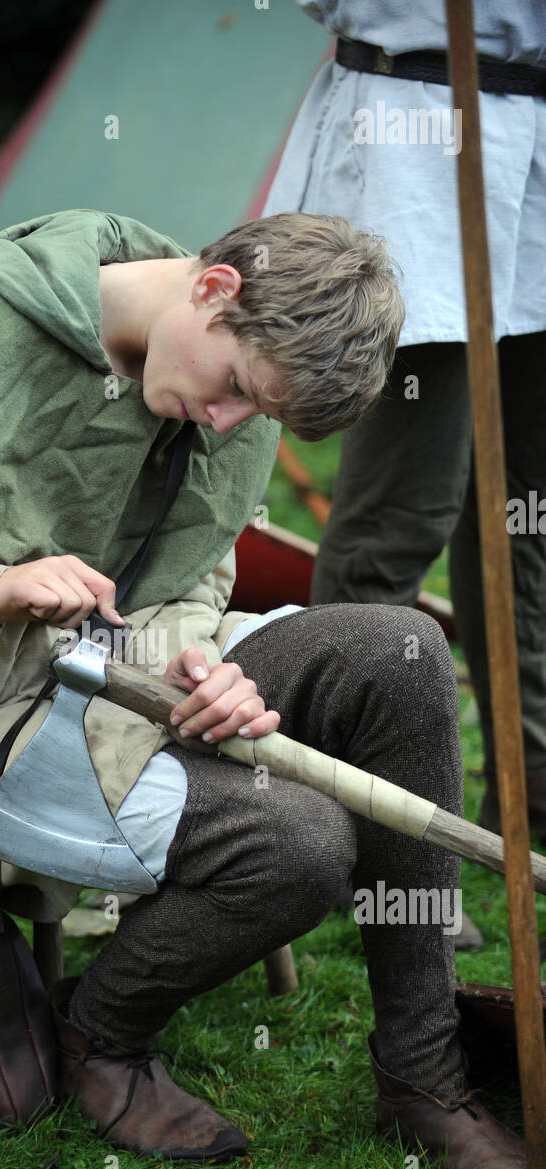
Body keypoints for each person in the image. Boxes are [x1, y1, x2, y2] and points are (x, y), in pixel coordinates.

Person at [0, 208, 529, 1169]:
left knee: (402, 646)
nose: (231, 422)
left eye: (257, 413)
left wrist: (198, 662)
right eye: (235, 389)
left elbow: (200, 564)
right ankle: (100, 1033)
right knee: (302, 843)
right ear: (213, 290)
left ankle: (424, 1074)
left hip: (133, 677)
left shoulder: (219, 383)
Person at [261, 0, 546, 856]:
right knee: (400, 514)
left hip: (536, 162)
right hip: (412, 148)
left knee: (526, 518)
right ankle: (362, 826)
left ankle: (530, 806)